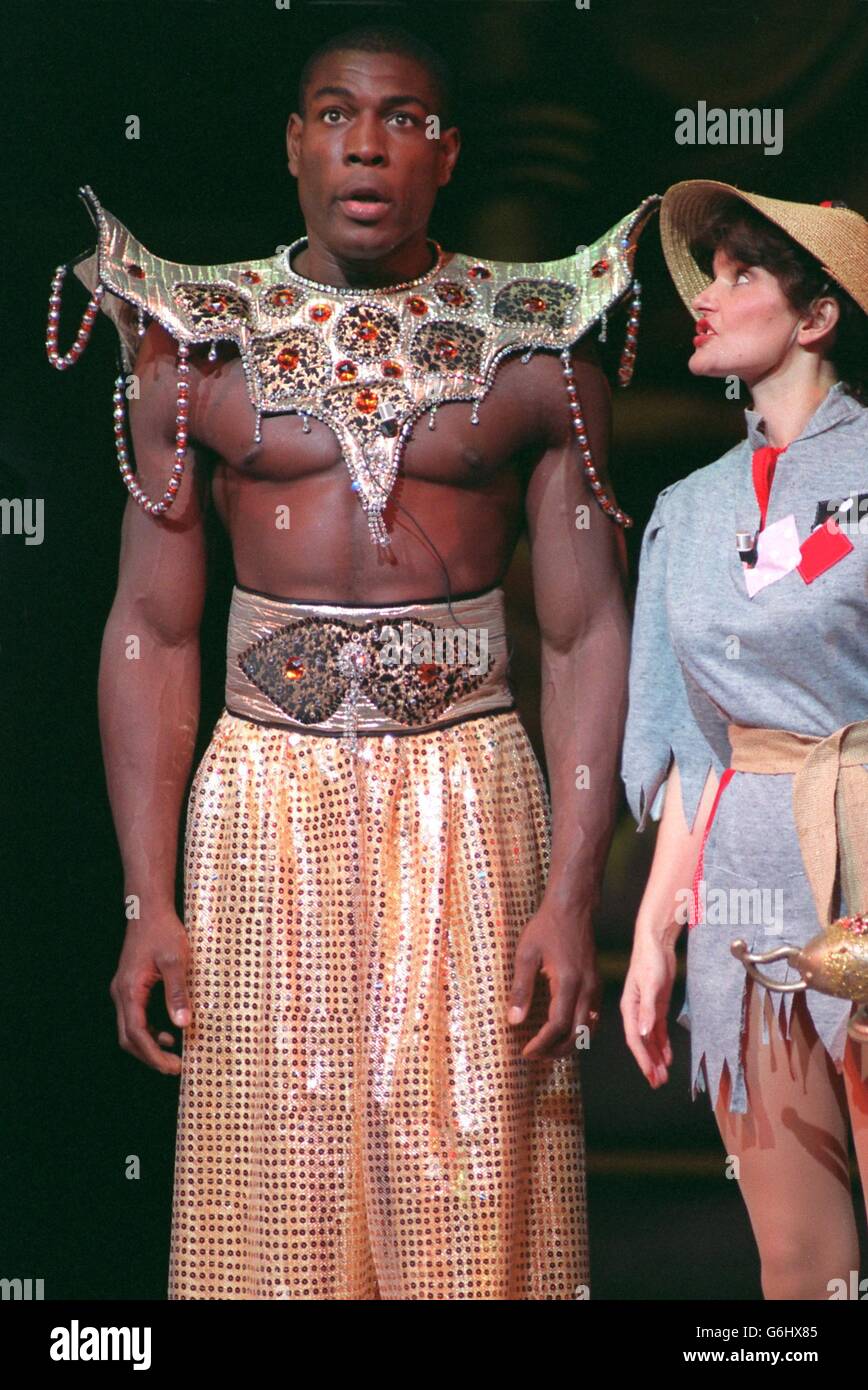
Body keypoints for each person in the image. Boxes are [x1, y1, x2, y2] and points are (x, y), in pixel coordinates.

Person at [47, 23, 657, 1299]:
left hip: (472, 792)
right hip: (263, 799)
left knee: (475, 1191)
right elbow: (151, 631)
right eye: (334, 113)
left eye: (400, 118)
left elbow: (588, 628)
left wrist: (571, 896)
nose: (365, 143)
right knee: (274, 1196)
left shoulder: (538, 343)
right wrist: (144, 900)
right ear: (293, 143)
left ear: (447, 150)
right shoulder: (193, 341)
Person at [620, 179, 868, 1300]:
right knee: (800, 1258)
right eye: (704, 274)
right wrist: (653, 929)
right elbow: (693, 744)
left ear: (815, 317)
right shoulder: (690, 503)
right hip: (743, 894)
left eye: (741, 276)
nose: (706, 300)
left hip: (858, 845)